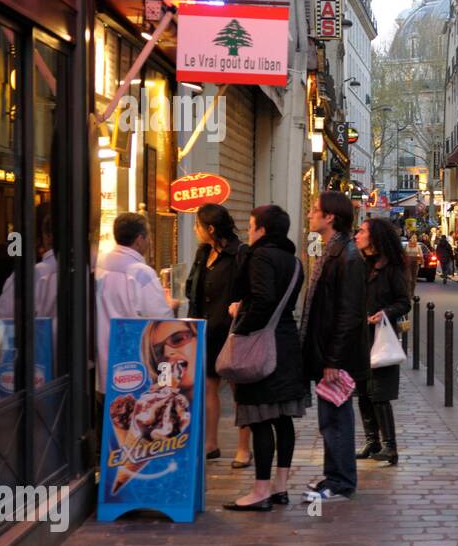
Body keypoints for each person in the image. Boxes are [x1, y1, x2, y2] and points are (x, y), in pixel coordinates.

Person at [223, 205, 305, 512]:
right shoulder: (295, 262)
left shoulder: (259, 257)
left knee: (259, 420)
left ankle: (259, 492)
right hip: (285, 344)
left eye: (252, 226)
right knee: (282, 420)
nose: (248, 231)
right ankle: (279, 487)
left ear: (263, 230)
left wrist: (239, 324)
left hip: (260, 346)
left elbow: (263, 300)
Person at [300, 191, 368, 503]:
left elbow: (349, 313)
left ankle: (341, 482)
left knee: (336, 418)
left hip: (335, 356)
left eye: (315, 211)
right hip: (327, 351)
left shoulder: (347, 256)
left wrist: (333, 358)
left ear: (330, 217)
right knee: (330, 418)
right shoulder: (334, 250)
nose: (310, 215)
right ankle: (334, 475)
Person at [185, 204, 251, 466]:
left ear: (210, 228)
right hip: (205, 329)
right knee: (209, 386)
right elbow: (193, 286)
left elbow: (248, 292)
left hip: (232, 331)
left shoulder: (240, 253)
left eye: (198, 225)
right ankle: (210, 444)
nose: (195, 230)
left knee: (239, 392)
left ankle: (244, 449)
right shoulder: (203, 253)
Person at [94, 212, 175, 394]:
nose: (149, 243)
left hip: (100, 358)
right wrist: (171, 305)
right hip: (132, 362)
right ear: (139, 239)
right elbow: (161, 318)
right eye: (148, 238)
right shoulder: (141, 272)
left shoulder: (99, 264)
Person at [354, 216, 413, 466]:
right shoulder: (358, 263)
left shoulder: (391, 267)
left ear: (375, 238)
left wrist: (384, 313)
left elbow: (404, 301)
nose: (357, 234)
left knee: (379, 393)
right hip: (359, 337)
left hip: (380, 337)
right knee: (364, 393)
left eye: (362, 231)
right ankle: (372, 441)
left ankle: (390, 446)